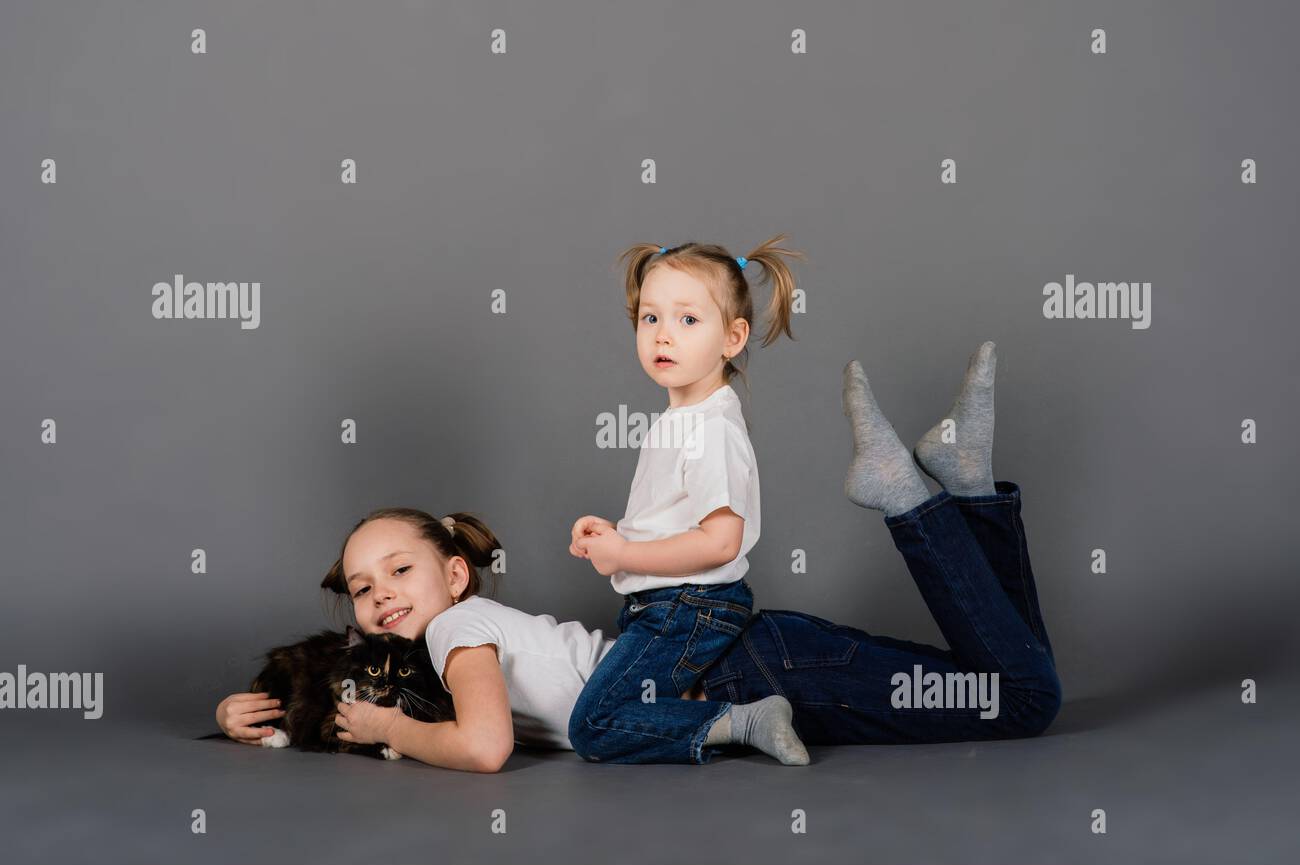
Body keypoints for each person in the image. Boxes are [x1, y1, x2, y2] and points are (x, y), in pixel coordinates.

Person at [215, 342, 1062, 770]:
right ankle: (969, 496)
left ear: (456, 573)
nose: (380, 596)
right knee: (998, 688)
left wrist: (389, 727)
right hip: (756, 666)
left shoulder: (457, 631)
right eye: (363, 589)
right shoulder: (431, 647)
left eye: (400, 570)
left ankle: (912, 500)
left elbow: (484, 747)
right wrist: (249, 708)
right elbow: (349, 678)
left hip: (741, 674)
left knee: (1021, 700)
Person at [566, 236, 810, 766]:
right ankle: (707, 710)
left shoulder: (712, 430)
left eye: (688, 320)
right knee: (619, 703)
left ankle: (744, 719)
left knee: (594, 724)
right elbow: (675, 519)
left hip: (687, 607)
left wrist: (625, 556)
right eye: (650, 319)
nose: (664, 335)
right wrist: (620, 536)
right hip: (667, 605)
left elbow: (722, 542)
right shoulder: (681, 420)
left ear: (733, 337)